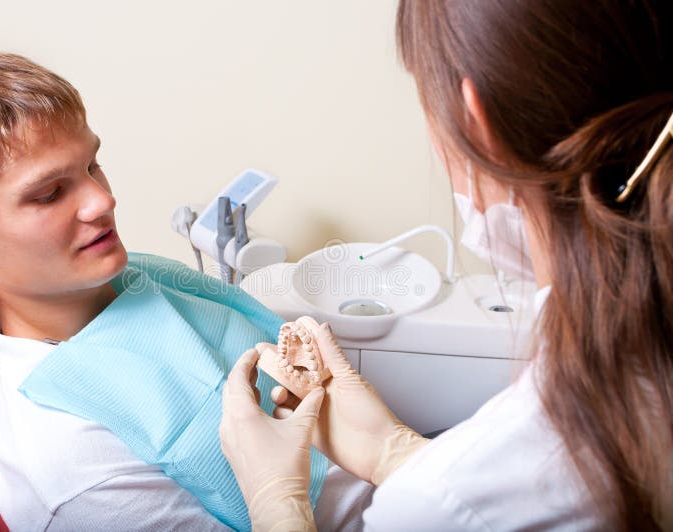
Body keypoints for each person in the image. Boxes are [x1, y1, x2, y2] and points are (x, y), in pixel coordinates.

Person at [220, 1, 673, 530]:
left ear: (474, 121)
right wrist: (392, 452)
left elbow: (477, 502)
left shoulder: (441, 504)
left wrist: (277, 502)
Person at [0, 49, 372, 531]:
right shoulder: (73, 465)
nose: (102, 200)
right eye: (49, 193)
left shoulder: (135, 276)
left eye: (92, 166)